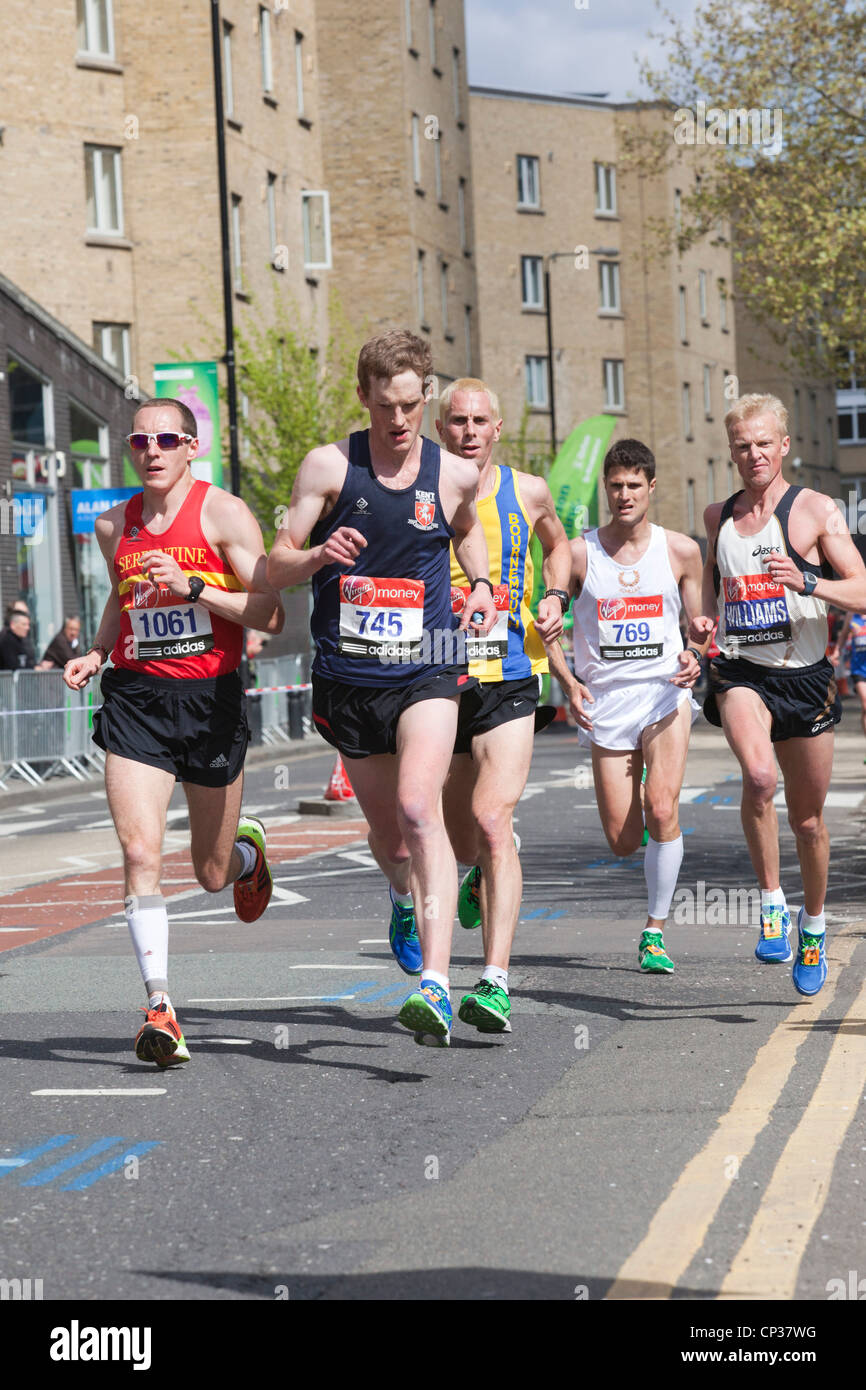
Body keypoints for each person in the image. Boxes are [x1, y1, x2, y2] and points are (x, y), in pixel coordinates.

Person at [267, 329, 497, 1047]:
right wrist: (316, 554)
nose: (399, 421)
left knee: (416, 808)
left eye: (410, 405)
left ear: (424, 395)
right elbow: (272, 567)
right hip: (349, 674)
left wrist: (484, 583)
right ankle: (401, 896)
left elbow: (466, 532)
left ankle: (435, 982)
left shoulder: (454, 473)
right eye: (385, 406)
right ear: (363, 396)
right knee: (391, 837)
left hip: (429, 663)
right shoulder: (330, 468)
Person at [64, 398, 284, 1067]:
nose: (152, 450)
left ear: (191, 446)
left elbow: (269, 614)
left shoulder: (224, 513)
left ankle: (248, 857)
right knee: (139, 853)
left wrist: (195, 589)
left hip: (210, 700)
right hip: (136, 702)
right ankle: (160, 1006)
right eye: (140, 439)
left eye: (166, 438)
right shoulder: (112, 525)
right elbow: (118, 599)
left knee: (212, 874)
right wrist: (99, 651)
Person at [691, 393, 866, 997]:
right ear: (732, 450)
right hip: (744, 673)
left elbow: (863, 589)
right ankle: (770, 901)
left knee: (810, 820)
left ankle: (812, 926)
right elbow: (715, 591)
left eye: (764, 442)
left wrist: (809, 581)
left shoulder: (816, 510)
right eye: (742, 444)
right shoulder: (718, 516)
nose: (753, 453)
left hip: (807, 679)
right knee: (760, 779)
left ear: (784, 445)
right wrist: (705, 623)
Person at [435, 378, 570, 1033]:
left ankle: (493, 983)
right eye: (456, 420)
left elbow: (559, 544)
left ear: (497, 428)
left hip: (508, 673)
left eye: (478, 420)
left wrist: (557, 595)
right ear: (441, 430)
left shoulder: (529, 490)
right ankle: (476, 875)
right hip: (434, 680)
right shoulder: (420, 491)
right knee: (463, 839)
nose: (467, 430)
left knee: (493, 820)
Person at [546, 439, 707, 975]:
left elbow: (698, 625)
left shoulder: (681, 550)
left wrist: (696, 651)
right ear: (605, 488)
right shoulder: (577, 553)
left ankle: (655, 932)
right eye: (615, 485)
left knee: (662, 807)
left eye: (634, 485)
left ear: (651, 487)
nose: (623, 494)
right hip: (606, 701)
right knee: (621, 840)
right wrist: (568, 681)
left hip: (663, 693)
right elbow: (545, 622)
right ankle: (641, 789)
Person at [828, 611, 866, 758]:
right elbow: (843, 635)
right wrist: (836, 653)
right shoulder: (852, 612)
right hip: (859, 669)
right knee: (865, 704)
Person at [0, 604, 36, 670]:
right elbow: (13, 667)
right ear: (13, 625)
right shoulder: (7, 640)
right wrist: (34, 668)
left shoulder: (22, 640)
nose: (27, 628)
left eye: (28, 625)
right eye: (24, 624)